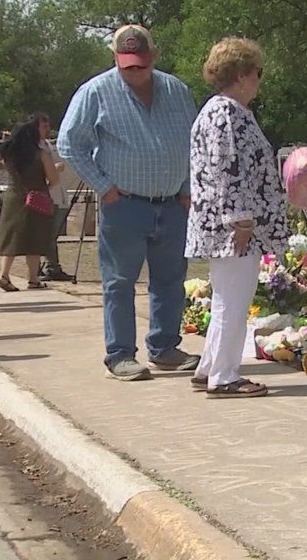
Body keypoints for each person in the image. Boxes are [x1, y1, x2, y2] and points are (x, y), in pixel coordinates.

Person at [57, 24, 200, 382]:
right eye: (126, 64)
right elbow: (69, 143)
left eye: (140, 63)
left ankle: (164, 348)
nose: (134, 70)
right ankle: (120, 354)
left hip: (172, 204)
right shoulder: (96, 91)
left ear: (154, 56)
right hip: (124, 205)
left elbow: (192, 141)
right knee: (119, 282)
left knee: (170, 280)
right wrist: (103, 187)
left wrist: (186, 187)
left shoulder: (177, 90)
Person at [185, 37, 287, 398]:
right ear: (242, 75)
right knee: (234, 299)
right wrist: (241, 220)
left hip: (225, 223)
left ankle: (210, 366)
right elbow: (227, 168)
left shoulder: (222, 112)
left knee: (225, 296)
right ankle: (224, 377)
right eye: (257, 72)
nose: (260, 79)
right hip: (235, 227)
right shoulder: (226, 114)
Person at [0, 119, 59, 291]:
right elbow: (53, 179)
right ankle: (33, 279)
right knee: (34, 239)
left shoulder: (9, 155)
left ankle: (4, 275)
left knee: (11, 238)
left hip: (13, 197)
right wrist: (55, 172)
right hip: (35, 198)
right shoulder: (41, 154)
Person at [33, 113, 75, 282]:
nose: (47, 129)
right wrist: (52, 170)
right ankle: (44, 267)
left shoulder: (49, 146)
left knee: (52, 235)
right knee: (46, 235)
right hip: (46, 196)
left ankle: (51, 267)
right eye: (44, 126)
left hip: (58, 195)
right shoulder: (35, 149)